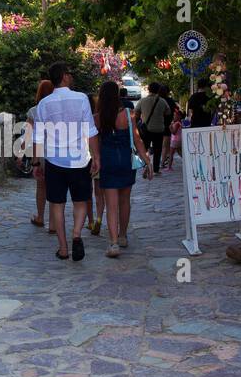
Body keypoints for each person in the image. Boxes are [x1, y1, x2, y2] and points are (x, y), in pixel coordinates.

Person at [32, 61, 100, 261]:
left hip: (54, 160)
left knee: (57, 204)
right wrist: (96, 156)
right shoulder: (81, 99)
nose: (71, 76)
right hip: (79, 159)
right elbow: (91, 130)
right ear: (63, 76)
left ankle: (63, 248)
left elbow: (37, 136)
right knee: (80, 201)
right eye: (69, 73)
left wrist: (36, 163)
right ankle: (77, 234)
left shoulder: (44, 104)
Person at [96, 79, 152, 256]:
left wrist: (94, 160)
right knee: (125, 201)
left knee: (111, 205)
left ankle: (113, 244)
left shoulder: (97, 118)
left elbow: (94, 143)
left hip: (108, 161)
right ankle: (122, 236)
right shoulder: (129, 114)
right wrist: (147, 161)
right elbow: (137, 140)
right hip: (126, 162)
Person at [26, 78, 53, 228]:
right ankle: (53, 224)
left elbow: (28, 134)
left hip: (40, 152)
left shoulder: (33, 111)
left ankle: (41, 217)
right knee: (55, 187)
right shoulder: (57, 109)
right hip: (55, 152)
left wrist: (20, 152)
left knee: (41, 187)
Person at [135, 82, 172, 175]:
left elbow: (136, 113)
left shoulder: (142, 101)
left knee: (145, 148)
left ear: (148, 89)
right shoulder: (162, 101)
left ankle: (145, 165)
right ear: (158, 90)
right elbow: (168, 112)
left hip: (146, 129)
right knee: (157, 149)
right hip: (159, 129)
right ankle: (155, 169)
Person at [86, 93, 105, 235]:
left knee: (87, 193)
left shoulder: (85, 120)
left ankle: (90, 221)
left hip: (85, 157)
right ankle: (99, 219)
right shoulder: (100, 118)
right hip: (100, 156)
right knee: (99, 193)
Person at [164, 104, 183, 171]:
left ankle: (169, 167)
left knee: (171, 154)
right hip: (178, 140)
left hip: (175, 140)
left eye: (175, 115)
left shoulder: (177, 123)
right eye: (174, 115)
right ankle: (187, 162)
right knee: (180, 152)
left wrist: (170, 128)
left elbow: (174, 132)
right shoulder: (178, 123)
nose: (174, 117)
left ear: (179, 116)